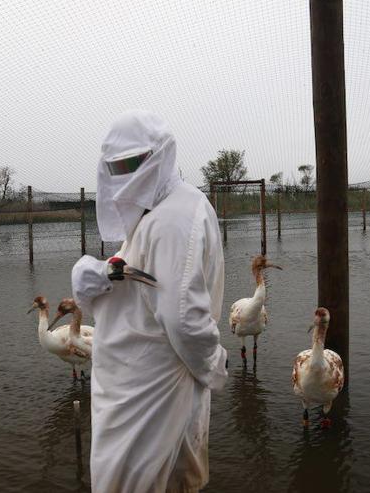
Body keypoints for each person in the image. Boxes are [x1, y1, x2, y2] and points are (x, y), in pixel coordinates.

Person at [71, 110, 228, 492]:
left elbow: (185, 321)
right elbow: (140, 291)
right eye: (117, 166)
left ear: (161, 155)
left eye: (134, 162)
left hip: (157, 385)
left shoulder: (176, 216)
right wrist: (93, 277)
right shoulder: (152, 212)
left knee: (149, 478)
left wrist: (214, 365)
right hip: (127, 380)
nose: (126, 175)